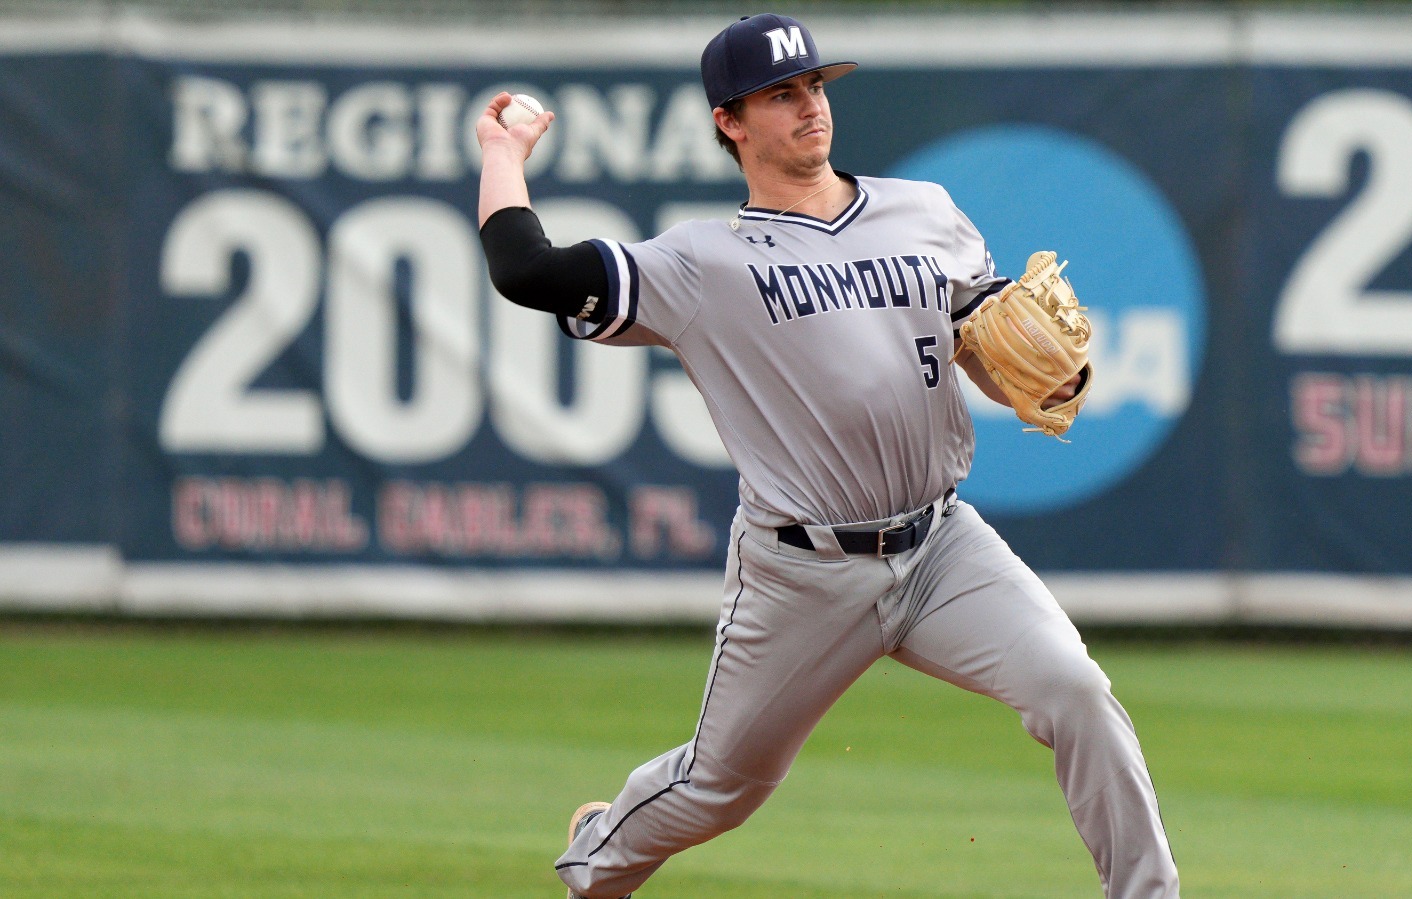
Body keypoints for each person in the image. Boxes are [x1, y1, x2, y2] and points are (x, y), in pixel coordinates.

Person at [476, 13, 1180, 898]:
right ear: (729, 121)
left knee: (1076, 688)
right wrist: (504, 153)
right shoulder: (701, 263)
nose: (811, 106)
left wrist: (1047, 382)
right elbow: (525, 271)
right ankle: (592, 860)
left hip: (941, 546)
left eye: (815, 86)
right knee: (720, 788)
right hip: (800, 573)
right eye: (781, 94)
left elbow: (991, 355)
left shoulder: (923, 211)